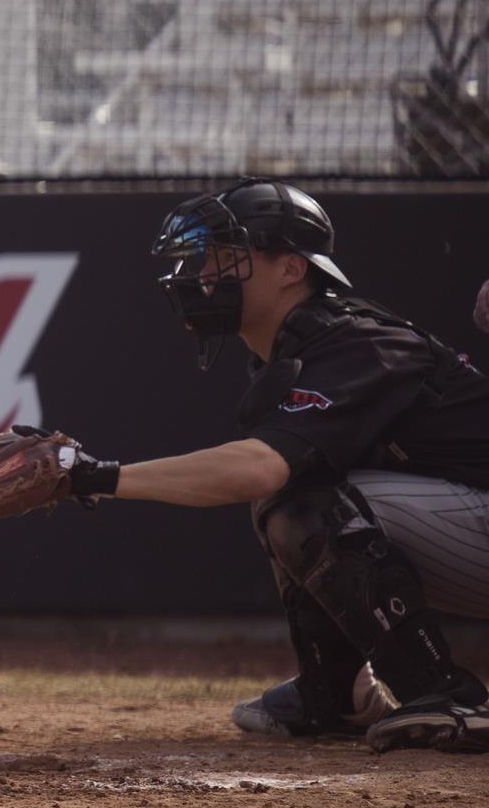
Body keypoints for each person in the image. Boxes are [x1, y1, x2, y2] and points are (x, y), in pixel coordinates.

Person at [30, 179, 489, 753]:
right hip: (469, 523)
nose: (205, 275)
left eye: (228, 259)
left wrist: (95, 475)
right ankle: (336, 694)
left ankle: (447, 693)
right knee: (297, 492)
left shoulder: (354, 340)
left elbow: (259, 470)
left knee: (297, 498)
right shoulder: (296, 350)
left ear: (292, 269)